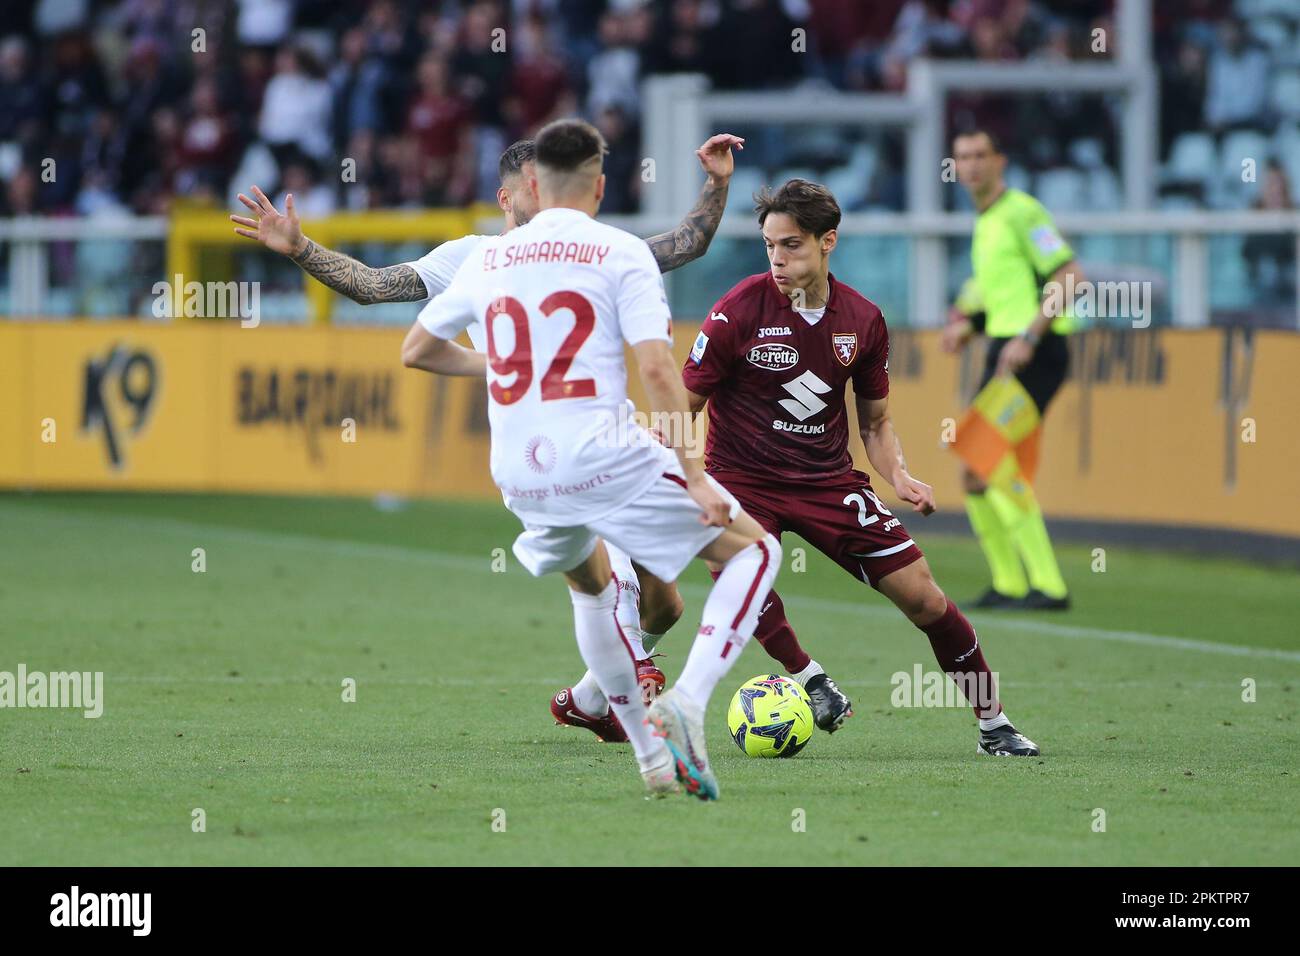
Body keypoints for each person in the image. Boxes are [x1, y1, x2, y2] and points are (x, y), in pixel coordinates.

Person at [231, 132, 743, 742]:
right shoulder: (471, 258)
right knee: (622, 579)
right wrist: (301, 249)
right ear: (510, 195)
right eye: (535, 185)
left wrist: (717, 184)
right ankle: (642, 713)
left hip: (612, 434)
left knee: (667, 607)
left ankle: (591, 697)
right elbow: (373, 286)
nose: (549, 193)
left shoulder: (592, 247)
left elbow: (686, 244)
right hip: (549, 449)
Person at [415, 118, 782, 799]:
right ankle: (689, 705)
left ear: (532, 184)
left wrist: (494, 364)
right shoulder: (617, 251)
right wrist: (696, 475)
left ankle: (650, 758)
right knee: (756, 554)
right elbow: (657, 370)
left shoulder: (487, 261)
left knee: (595, 589)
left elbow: (417, 350)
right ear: (601, 185)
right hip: (603, 453)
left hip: (521, 474)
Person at [683, 178, 1040, 758]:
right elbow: (685, 404)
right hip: (742, 479)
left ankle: (994, 724)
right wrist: (692, 477)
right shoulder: (737, 310)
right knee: (740, 576)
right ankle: (808, 678)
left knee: (926, 600)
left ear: (829, 242)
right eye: (769, 245)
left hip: (827, 482)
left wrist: (897, 475)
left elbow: (874, 423)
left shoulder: (864, 320)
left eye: (791, 245)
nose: (777, 258)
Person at [942, 128, 1084, 611]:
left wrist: (1029, 336)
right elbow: (1005, 299)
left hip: (1036, 352)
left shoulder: (1022, 211)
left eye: (982, 154)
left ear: (1000, 161)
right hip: (1006, 349)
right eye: (964, 157)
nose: (973, 164)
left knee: (984, 457)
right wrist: (971, 326)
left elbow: (1070, 277)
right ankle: (1010, 584)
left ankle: (1049, 586)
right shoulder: (985, 223)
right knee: (979, 472)